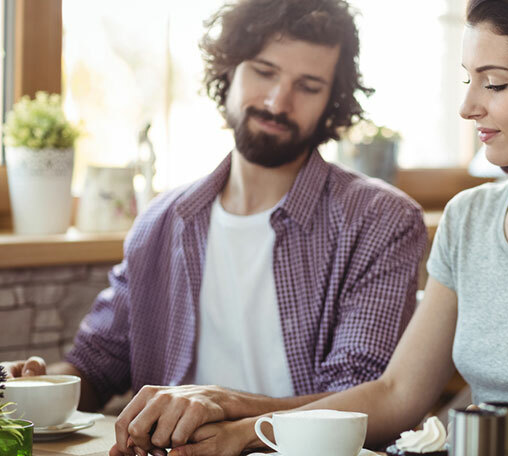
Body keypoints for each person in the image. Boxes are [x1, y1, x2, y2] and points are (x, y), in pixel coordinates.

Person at [170, 0, 508, 455]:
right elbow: (398, 392)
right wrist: (252, 431)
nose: (469, 106)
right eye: (469, 81)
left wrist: (504, 449)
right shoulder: (469, 219)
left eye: (495, 83)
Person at [1, 0, 427, 455]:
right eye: (264, 71)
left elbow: (361, 402)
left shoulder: (381, 220)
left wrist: (226, 410)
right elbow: (97, 363)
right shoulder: (160, 223)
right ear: (229, 70)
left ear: (331, 103)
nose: (277, 101)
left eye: (308, 86)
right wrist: (35, 385)